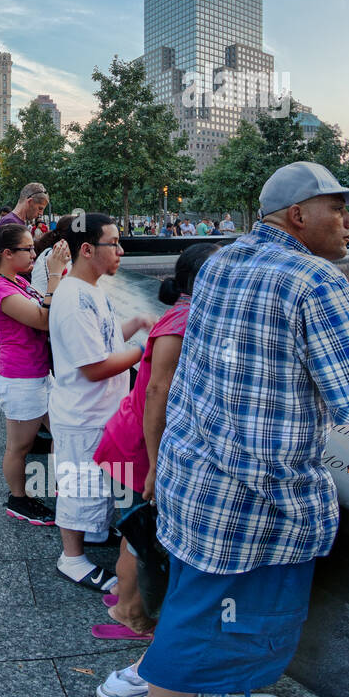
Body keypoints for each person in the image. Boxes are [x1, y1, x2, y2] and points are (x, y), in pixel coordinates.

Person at [95, 162, 349, 697]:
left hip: (194, 465)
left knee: (196, 584)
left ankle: (152, 672)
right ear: (299, 215)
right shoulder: (316, 282)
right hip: (255, 487)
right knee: (225, 593)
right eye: (339, 210)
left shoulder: (221, 261)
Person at [89, 243, 220, 641]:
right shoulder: (180, 328)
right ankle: (132, 615)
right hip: (139, 445)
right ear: (202, 281)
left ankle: (121, 594)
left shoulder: (184, 316)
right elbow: (155, 398)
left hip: (130, 438)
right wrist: (156, 466)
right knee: (141, 536)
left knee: (135, 529)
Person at [47, 211, 153, 590]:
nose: (121, 250)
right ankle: (71, 558)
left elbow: (105, 342)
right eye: (114, 243)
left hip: (101, 411)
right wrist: (146, 348)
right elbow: (95, 366)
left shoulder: (91, 289)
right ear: (88, 249)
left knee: (97, 485)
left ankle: (93, 534)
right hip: (82, 415)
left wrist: (136, 323)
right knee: (79, 487)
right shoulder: (73, 298)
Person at [0, 223, 58, 524]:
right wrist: (56, 274)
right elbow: (42, 319)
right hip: (22, 379)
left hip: (38, 374)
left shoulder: (17, 281)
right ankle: (18, 499)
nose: (34, 253)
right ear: (7, 254)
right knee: (18, 447)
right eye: (28, 249)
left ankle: (63, 489)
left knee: (63, 433)